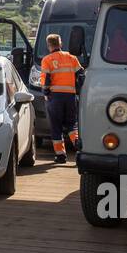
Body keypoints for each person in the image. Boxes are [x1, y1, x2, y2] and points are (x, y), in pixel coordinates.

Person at [39, 34, 83, 164]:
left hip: (55, 97)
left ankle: (60, 155)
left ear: (49, 45)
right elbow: (81, 74)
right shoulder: (72, 58)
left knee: (56, 126)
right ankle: (78, 147)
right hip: (70, 96)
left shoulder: (47, 60)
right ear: (60, 43)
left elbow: (46, 79)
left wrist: (46, 91)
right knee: (71, 124)